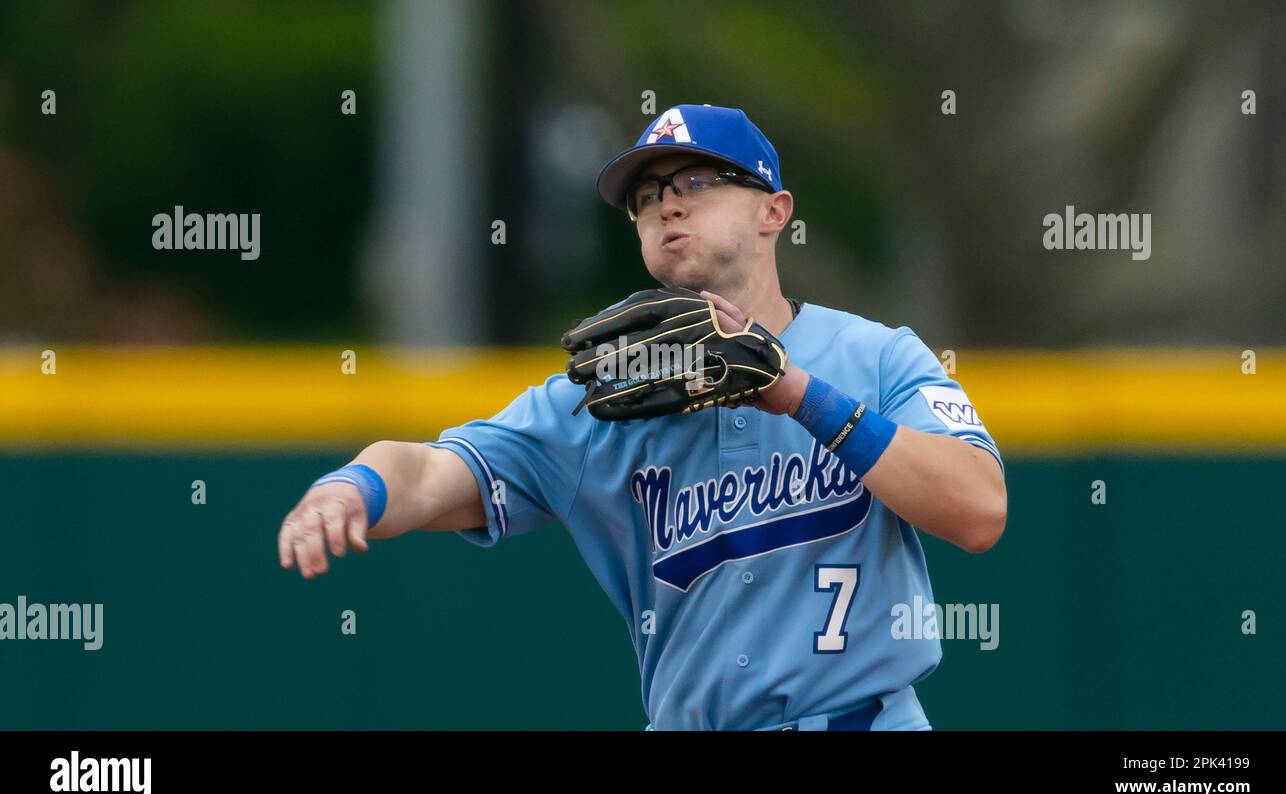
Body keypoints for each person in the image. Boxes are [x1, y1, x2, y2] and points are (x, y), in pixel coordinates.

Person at [278, 103, 1007, 730]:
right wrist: (353, 486)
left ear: (773, 210)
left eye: (696, 181)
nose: (667, 204)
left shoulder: (875, 356)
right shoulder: (604, 396)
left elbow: (978, 510)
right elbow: (437, 468)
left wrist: (800, 396)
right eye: (647, 195)